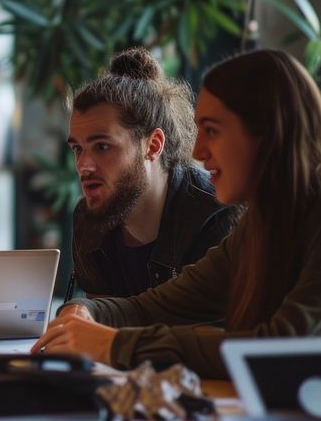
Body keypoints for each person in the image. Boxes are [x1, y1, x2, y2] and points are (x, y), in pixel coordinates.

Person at [34, 49, 321, 379]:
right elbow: (154, 306)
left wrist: (117, 345)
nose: (198, 151)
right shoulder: (264, 223)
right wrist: (82, 312)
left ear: (269, 131)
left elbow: (279, 349)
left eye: (212, 130)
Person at [67, 47, 237, 299]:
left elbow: (208, 329)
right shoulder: (88, 219)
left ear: (153, 145)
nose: (83, 165)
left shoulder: (214, 217)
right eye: (77, 148)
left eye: (102, 147)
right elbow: (98, 320)